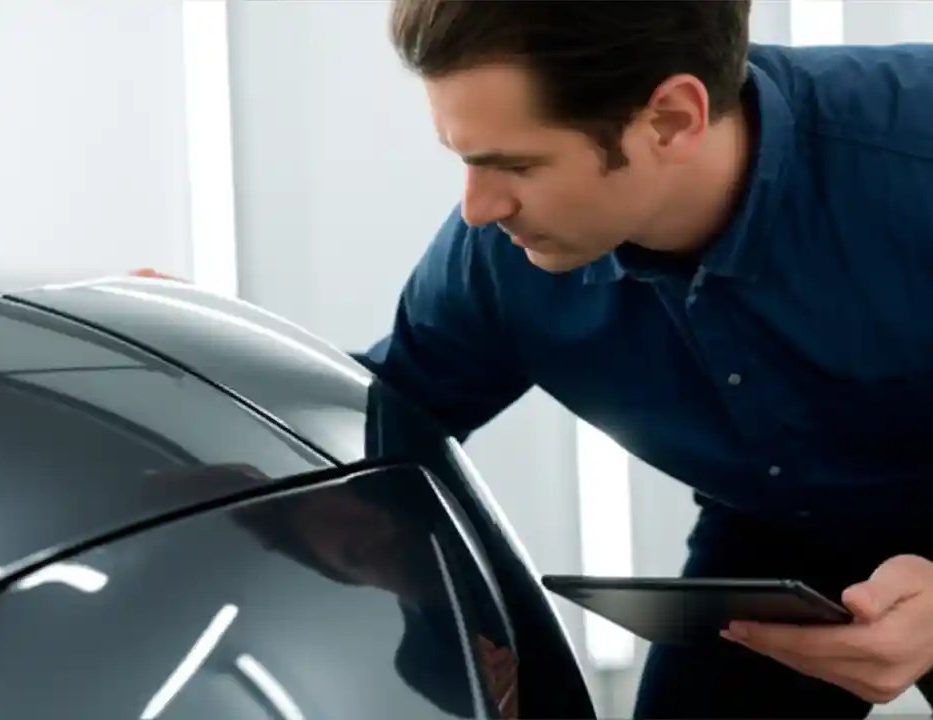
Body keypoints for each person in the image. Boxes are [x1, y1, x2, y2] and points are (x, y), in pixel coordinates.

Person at [355, 1, 933, 717]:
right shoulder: (494, 261)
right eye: (468, 161)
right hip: (777, 532)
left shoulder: (914, 152)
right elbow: (384, 427)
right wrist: (180, 343)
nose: (477, 208)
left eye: (518, 164)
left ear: (671, 119)